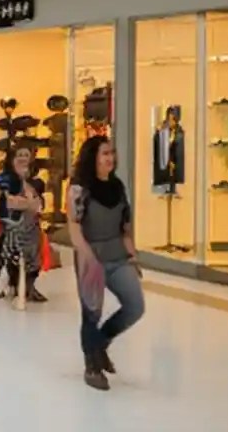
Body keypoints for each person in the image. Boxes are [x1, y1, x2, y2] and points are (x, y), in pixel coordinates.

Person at [68, 135, 143, 391]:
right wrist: (87, 256)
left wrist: (133, 255)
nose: (110, 158)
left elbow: (125, 227)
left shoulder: (118, 187)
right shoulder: (80, 189)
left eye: (112, 153)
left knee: (135, 306)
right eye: (104, 154)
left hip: (117, 255)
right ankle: (92, 366)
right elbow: (74, 227)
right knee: (91, 313)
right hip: (91, 257)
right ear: (93, 158)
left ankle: (100, 342)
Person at [0, 145, 47, 305]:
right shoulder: (5, 179)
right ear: (12, 159)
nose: (24, 158)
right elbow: (7, 202)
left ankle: (28, 286)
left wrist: (27, 200)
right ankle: (15, 284)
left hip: (32, 226)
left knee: (34, 257)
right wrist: (28, 203)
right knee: (14, 253)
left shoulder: (36, 182)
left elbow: (39, 204)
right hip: (12, 224)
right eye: (20, 155)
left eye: (26, 154)